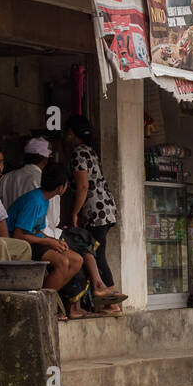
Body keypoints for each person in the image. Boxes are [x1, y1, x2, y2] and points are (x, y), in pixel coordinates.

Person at [8, 163, 125, 318]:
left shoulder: (44, 199)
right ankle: (41, 305)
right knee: (63, 262)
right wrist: (49, 242)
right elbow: (18, 235)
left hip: (34, 241)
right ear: (61, 187)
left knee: (76, 259)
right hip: (22, 245)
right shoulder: (35, 201)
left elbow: (37, 230)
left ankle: (47, 298)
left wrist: (54, 241)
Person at [64, 116, 122, 314]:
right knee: (98, 255)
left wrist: (75, 212)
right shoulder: (90, 151)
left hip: (94, 211)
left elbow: (82, 185)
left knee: (96, 256)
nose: (67, 136)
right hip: (105, 210)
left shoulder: (78, 153)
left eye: (68, 132)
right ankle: (110, 301)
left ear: (73, 133)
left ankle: (111, 302)